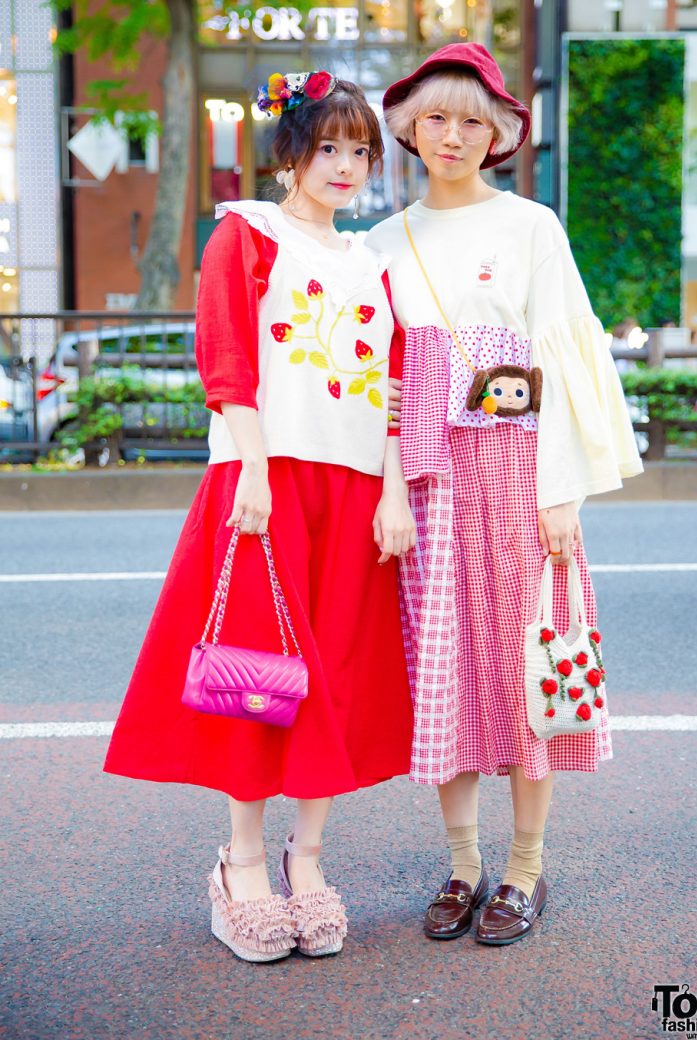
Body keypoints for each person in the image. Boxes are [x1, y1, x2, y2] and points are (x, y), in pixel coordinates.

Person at [104, 71, 416, 963]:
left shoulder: (369, 261)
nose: (347, 166)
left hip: (356, 487)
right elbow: (227, 352)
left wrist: (394, 486)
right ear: (293, 150)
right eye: (330, 147)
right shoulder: (247, 231)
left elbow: (390, 388)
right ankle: (240, 867)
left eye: (361, 151)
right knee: (256, 675)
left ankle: (306, 861)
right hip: (265, 477)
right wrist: (248, 459)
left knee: (340, 674)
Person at [365, 43, 642, 946]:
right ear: (407, 127)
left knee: (529, 670)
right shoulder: (380, 244)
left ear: (500, 135)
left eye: (474, 121)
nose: (453, 135)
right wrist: (392, 482)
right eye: (436, 118)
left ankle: (525, 870)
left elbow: (561, 357)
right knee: (443, 670)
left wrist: (562, 491)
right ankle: (462, 864)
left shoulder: (532, 227)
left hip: (521, 471)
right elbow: (377, 379)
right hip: (433, 481)